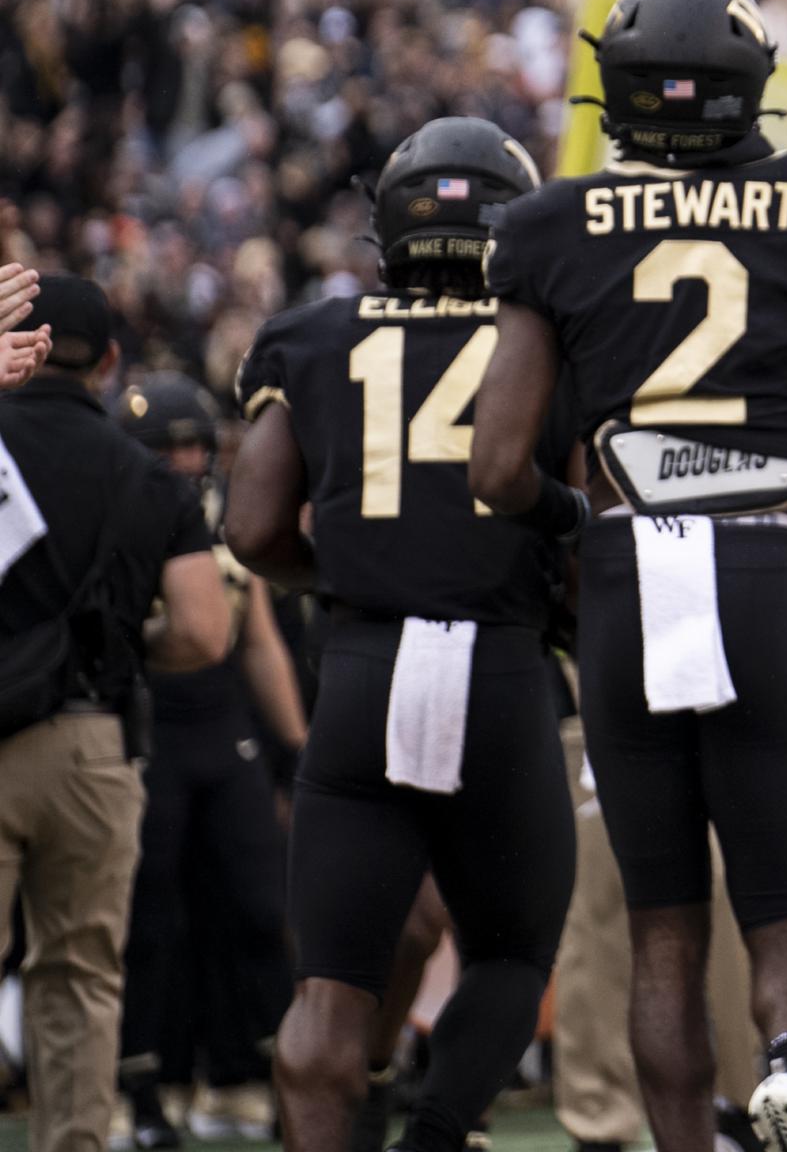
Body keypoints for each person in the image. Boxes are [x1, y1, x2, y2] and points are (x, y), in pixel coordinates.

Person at [468, 0, 787, 1152]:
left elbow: (498, 461)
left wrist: (579, 526)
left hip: (628, 569)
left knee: (664, 929)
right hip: (762, 561)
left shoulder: (551, 221)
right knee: (785, 919)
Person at [222, 118, 580, 1152]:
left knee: (330, 986)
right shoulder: (551, 335)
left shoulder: (310, 334)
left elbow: (250, 528)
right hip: (503, 664)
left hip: (366, 662)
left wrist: (357, 577)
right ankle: (431, 1137)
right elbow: (589, 527)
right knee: (510, 951)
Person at [0, 271, 233, 1152]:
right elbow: (206, 630)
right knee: (82, 977)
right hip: (93, 745)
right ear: (106, 361)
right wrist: (120, 654)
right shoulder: (147, 475)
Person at [113, 371, 303, 1151]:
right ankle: (141, 1089)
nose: (189, 459)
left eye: (196, 444)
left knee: (260, 905)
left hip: (225, 726)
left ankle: (247, 1074)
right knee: (151, 918)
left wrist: (297, 743)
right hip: (153, 721)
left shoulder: (222, 514)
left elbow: (254, 630)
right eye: (172, 447)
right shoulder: (112, 509)